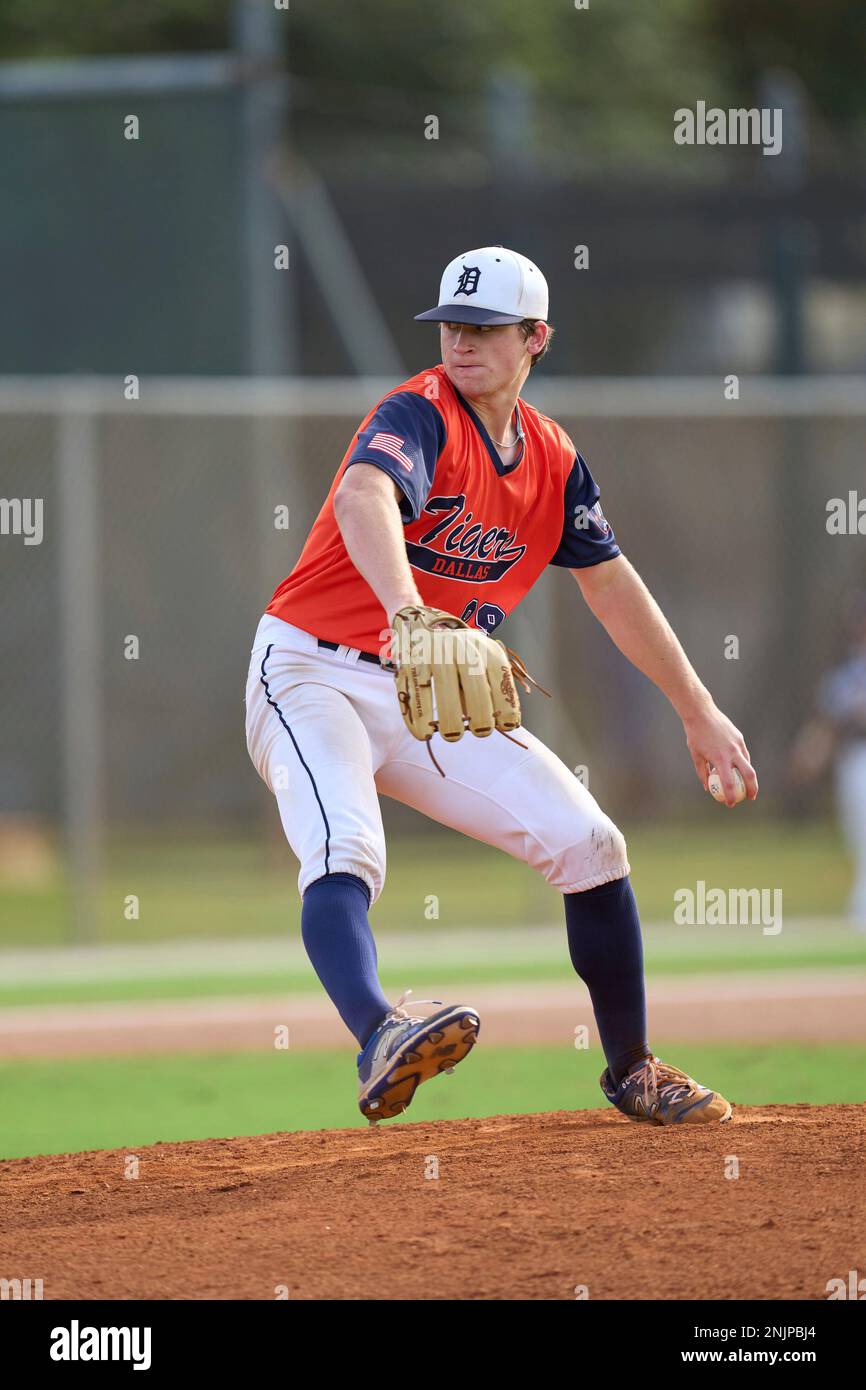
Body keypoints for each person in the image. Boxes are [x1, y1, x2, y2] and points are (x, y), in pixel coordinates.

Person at [244, 246, 758, 1126]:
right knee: (345, 850)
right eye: (451, 323)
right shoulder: (419, 413)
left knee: (591, 843)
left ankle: (631, 1070)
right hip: (310, 668)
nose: (462, 340)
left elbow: (610, 585)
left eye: (484, 327)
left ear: (535, 339)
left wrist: (697, 710)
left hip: (431, 690)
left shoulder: (554, 460)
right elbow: (365, 496)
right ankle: (380, 1036)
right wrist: (408, 612)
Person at [789, 591, 866, 929]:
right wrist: (809, 754)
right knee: (860, 836)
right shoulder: (847, 675)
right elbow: (827, 724)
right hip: (858, 761)